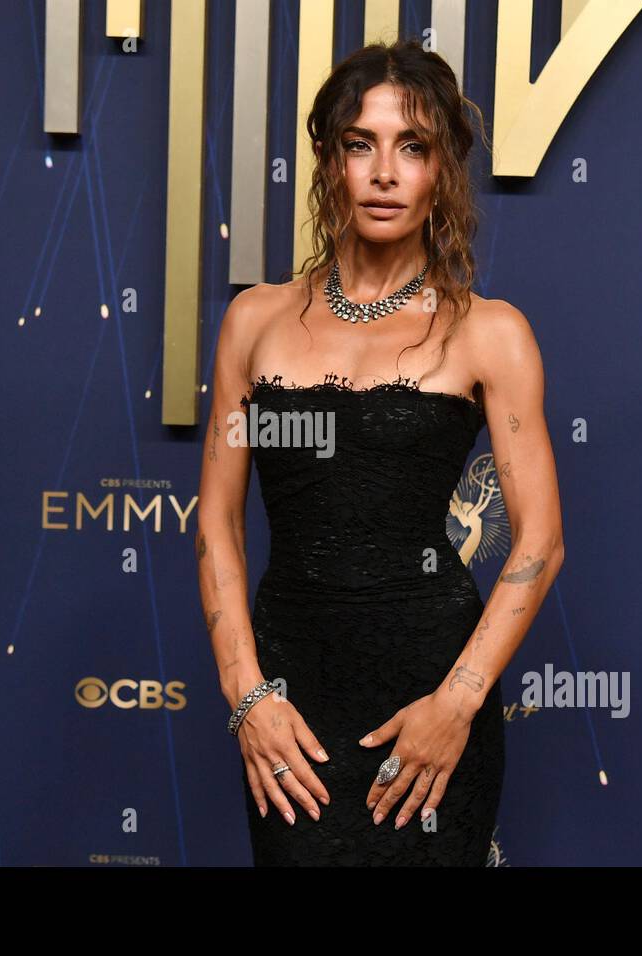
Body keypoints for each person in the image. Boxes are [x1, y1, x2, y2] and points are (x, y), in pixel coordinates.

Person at [194, 39, 564, 866]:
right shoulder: (254, 322)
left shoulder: (490, 333)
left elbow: (539, 540)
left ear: (443, 172)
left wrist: (457, 704)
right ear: (330, 163)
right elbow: (217, 519)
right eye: (361, 144)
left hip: (432, 693)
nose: (385, 172)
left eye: (413, 147)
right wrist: (245, 694)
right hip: (288, 700)